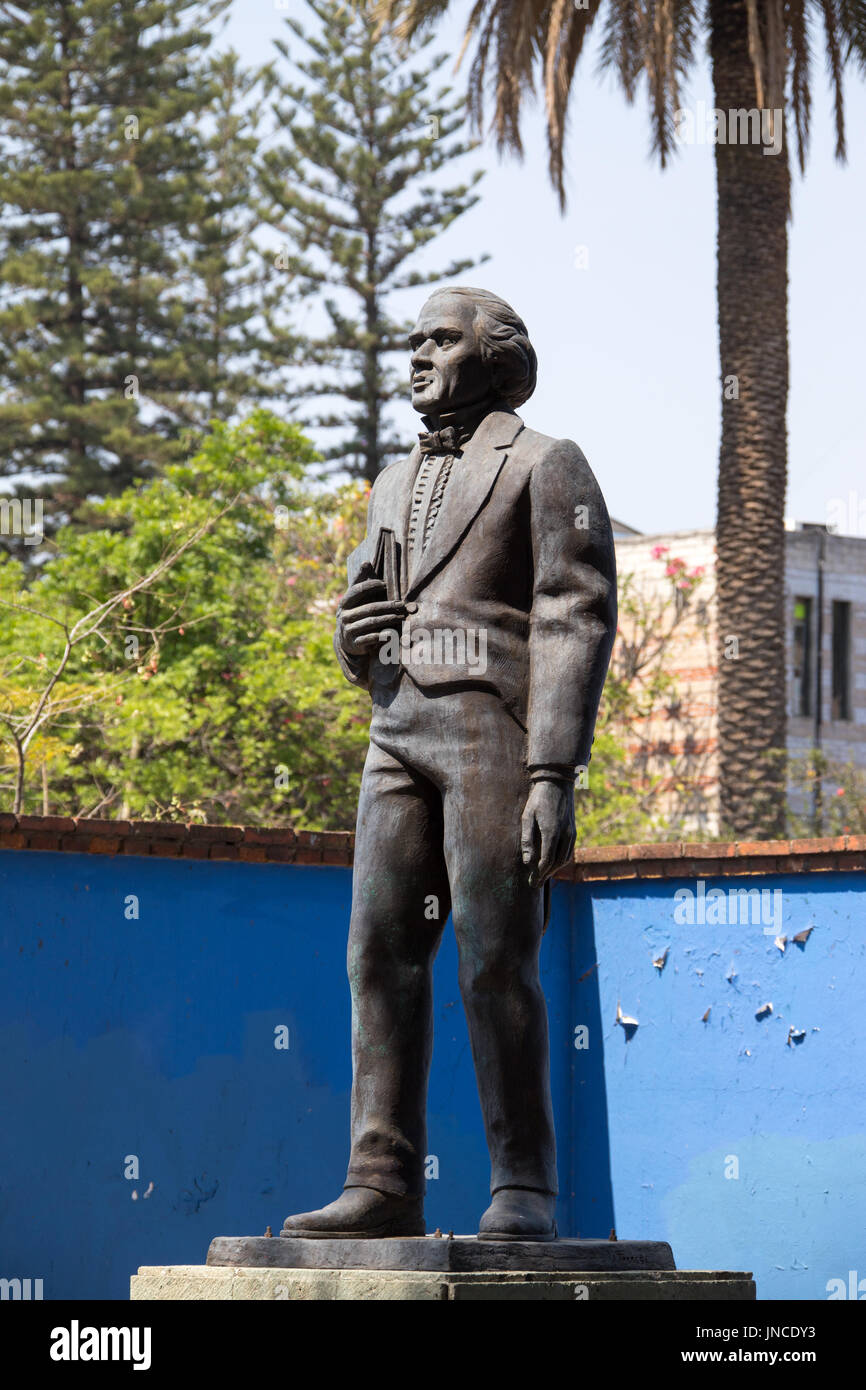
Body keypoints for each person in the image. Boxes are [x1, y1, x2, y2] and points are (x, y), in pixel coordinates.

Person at [282, 287, 617, 1241]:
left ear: (496, 355)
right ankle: (381, 1179)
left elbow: (575, 613)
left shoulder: (548, 464)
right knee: (377, 955)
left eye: (440, 339)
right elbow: (372, 603)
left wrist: (553, 771)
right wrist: (354, 641)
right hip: (395, 731)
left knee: (493, 960)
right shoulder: (390, 481)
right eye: (414, 340)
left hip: (491, 734)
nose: (418, 355)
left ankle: (524, 1184)